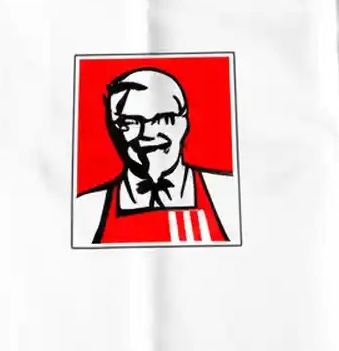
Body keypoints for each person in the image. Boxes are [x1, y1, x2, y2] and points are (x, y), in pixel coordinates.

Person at [74, 68, 235, 245]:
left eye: (164, 119)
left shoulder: (226, 194)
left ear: (184, 123)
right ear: (114, 129)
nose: (148, 133)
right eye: (132, 122)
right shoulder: (88, 209)